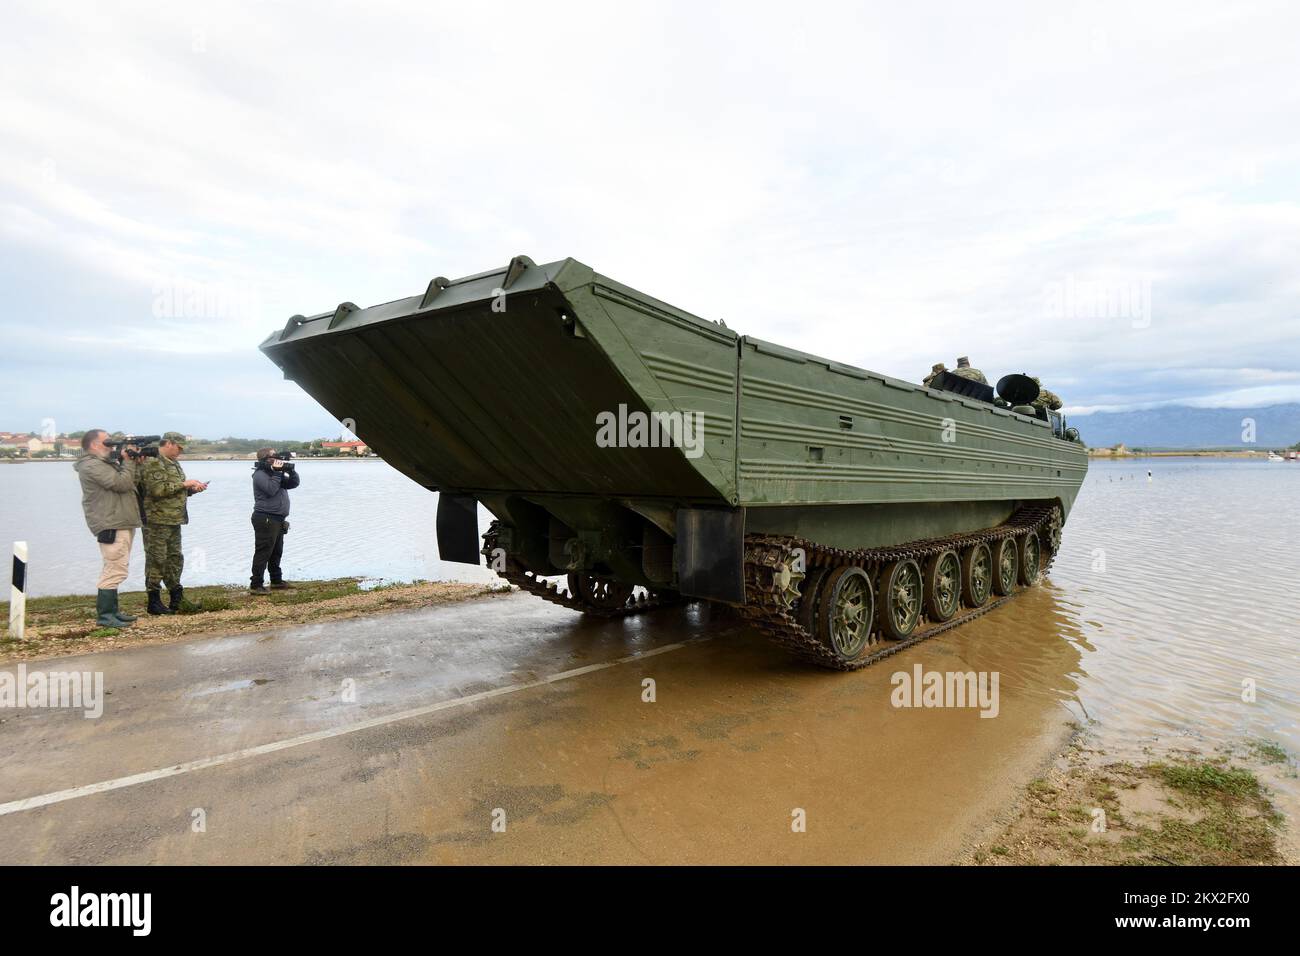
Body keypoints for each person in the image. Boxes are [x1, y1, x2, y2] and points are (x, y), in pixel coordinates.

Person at [75, 429, 143, 628]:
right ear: (94, 445)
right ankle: (105, 616)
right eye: (108, 442)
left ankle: (112, 612)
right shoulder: (91, 465)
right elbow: (120, 484)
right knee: (114, 568)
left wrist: (134, 462)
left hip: (120, 521)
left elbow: (131, 483)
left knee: (118, 567)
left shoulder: (105, 463)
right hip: (111, 523)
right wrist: (127, 461)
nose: (112, 446)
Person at [138, 431, 208, 615]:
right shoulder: (153, 462)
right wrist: (185, 484)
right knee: (157, 559)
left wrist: (192, 489)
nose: (180, 451)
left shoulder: (173, 462)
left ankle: (177, 598)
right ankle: (154, 601)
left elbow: (174, 490)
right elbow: (157, 490)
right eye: (179, 447)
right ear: (168, 443)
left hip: (174, 519)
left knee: (175, 558)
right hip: (156, 520)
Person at [249, 447, 300, 594]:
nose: (278, 459)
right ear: (266, 459)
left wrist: (290, 471)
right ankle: (256, 585)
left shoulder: (274, 473)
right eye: (274, 456)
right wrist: (278, 472)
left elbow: (293, 483)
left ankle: (276, 580)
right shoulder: (259, 474)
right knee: (263, 552)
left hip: (278, 518)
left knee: (276, 552)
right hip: (265, 518)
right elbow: (270, 489)